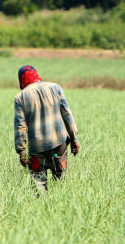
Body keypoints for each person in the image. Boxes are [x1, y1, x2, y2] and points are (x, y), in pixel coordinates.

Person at [14, 64, 79, 192]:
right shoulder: (56, 88)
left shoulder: (20, 97)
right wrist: (74, 139)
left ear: (21, 80)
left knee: (39, 188)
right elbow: (67, 115)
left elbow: (20, 127)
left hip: (37, 150)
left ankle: (41, 209)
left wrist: (21, 151)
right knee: (61, 185)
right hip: (59, 145)